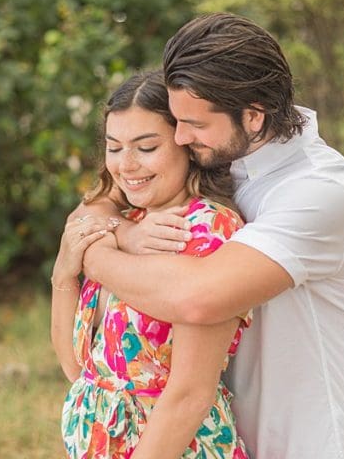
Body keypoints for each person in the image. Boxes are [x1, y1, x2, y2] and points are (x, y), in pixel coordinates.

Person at [77, 13, 344, 458]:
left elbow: (198, 299)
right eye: (176, 122)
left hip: (307, 440)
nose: (180, 137)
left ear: (254, 116)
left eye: (193, 124)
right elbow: (105, 192)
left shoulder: (318, 190)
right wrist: (121, 229)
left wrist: (92, 254)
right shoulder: (221, 153)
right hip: (222, 438)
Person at [51, 70, 250, 458]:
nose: (126, 166)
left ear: (186, 145)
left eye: (145, 148)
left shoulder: (208, 229)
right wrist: (63, 273)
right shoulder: (123, 223)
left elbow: (190, 395)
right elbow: (82, 369)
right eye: (114, 147)